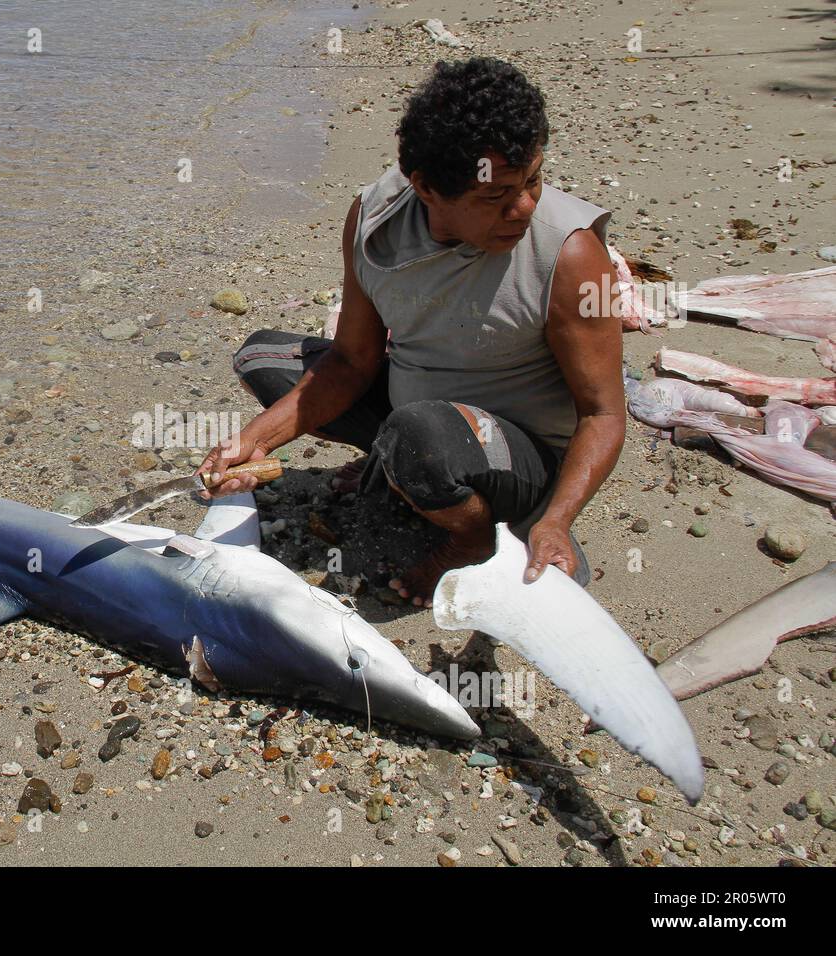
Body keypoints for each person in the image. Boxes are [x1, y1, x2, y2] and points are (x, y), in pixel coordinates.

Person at [198, 57, 625, 607]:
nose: (523, 207)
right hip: (415, 408)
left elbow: (604, 414)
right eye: (496, 197)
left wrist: (559, 520)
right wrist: (251, 441)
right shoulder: (374, 218)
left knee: (418, 435)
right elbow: (353, 361)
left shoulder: (570, 255)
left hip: (522, 454)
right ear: (425, 187)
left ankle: (473, 535)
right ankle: (405, 471)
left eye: (534, 182)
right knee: (263, 361)